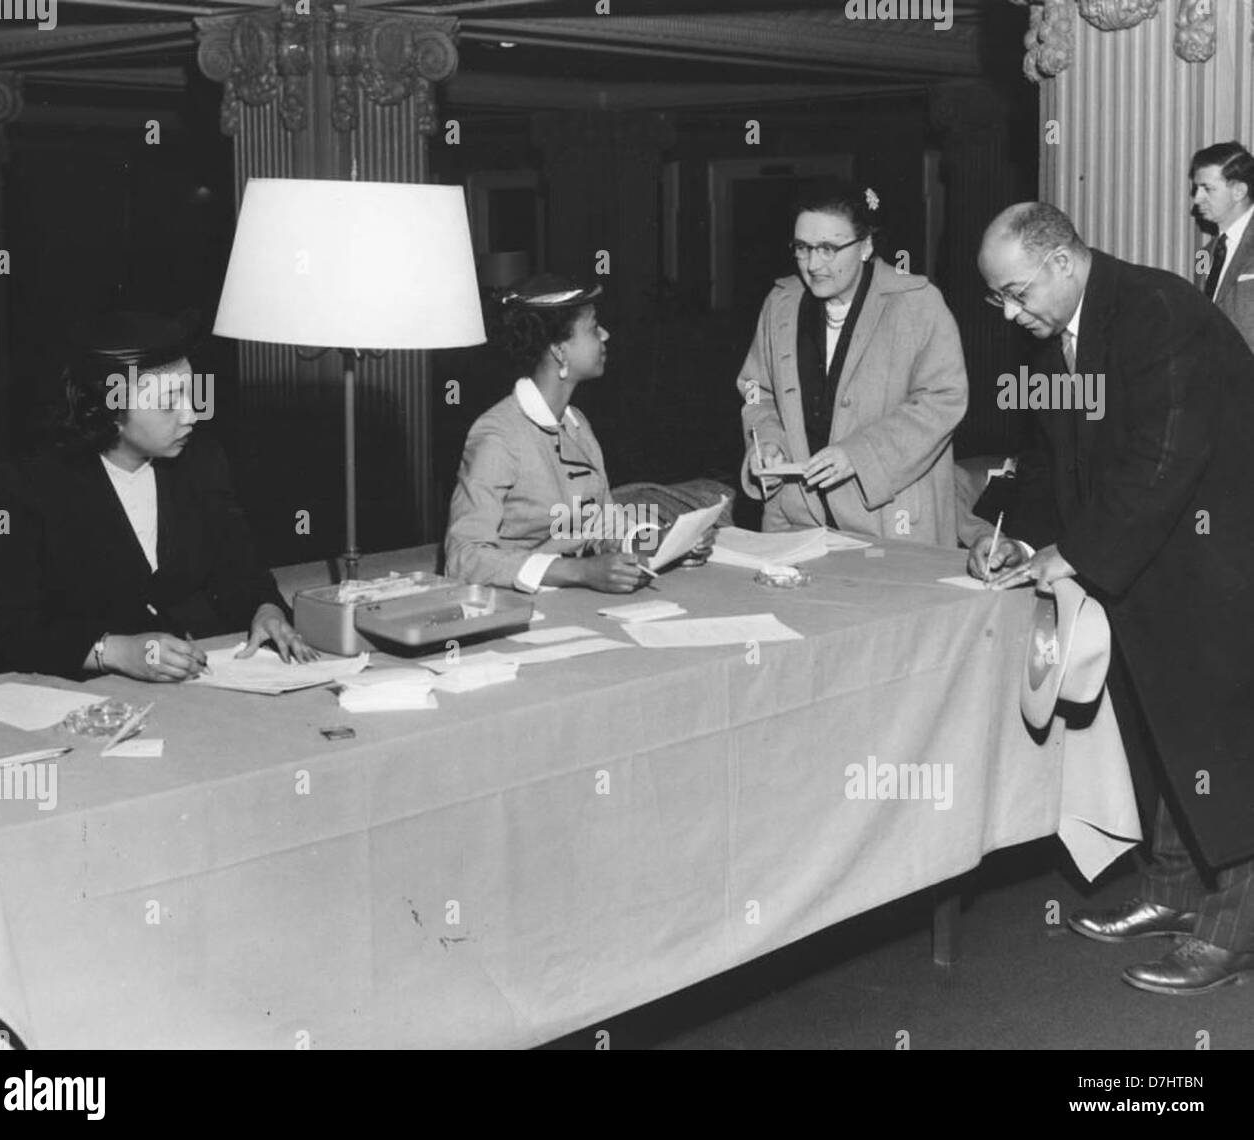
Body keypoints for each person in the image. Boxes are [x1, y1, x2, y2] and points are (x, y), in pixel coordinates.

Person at [970, 202, 1254, 995]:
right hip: (1147, 559)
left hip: (1219, 557)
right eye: (998, 298)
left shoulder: (1158, 311)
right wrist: (1018, 538)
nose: (1011, 313)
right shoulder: (1058, 332)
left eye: (1019, 292)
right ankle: (1170, 892)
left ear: (1063, 259)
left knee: (1221, 744)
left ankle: (1234, 934)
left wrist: (1077, 554)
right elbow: (1051, 453)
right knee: (1158, 731)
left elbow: (1163, 458)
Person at [0, 310, 315, 682]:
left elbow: (243, 572)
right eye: (169, 403)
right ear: (108, 410)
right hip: (84, 696)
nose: (192, 415)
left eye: (194, 394)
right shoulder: (27, 486)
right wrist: (114, 651)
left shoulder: (202, 459)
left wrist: (267, 611)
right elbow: (4, 629)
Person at [445, 274, 712, 594]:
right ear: (559, 350)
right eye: (593, 327)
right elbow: (463, 558)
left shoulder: (576, 423)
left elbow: (603, 524)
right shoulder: (498, 437)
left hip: (567, 603)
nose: (605, 334)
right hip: (508, 604)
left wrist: (662, 542)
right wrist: (580, 571)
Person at [736, 178, 968, 545]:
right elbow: (756, 392)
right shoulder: (780, 303)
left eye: (829, 248)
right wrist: (767, 443)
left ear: (866, 246)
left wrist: (859, 456)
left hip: (891, 522)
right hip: (796, 523)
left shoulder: (918, 302)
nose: (813, 264)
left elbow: (943, 400)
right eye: (803, 248)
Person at [1190, 140, 1254, 354]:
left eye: (1207, 188)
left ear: (1239, 191)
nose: (1197, 198)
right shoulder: (1203, 255)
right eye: (1196, 188)